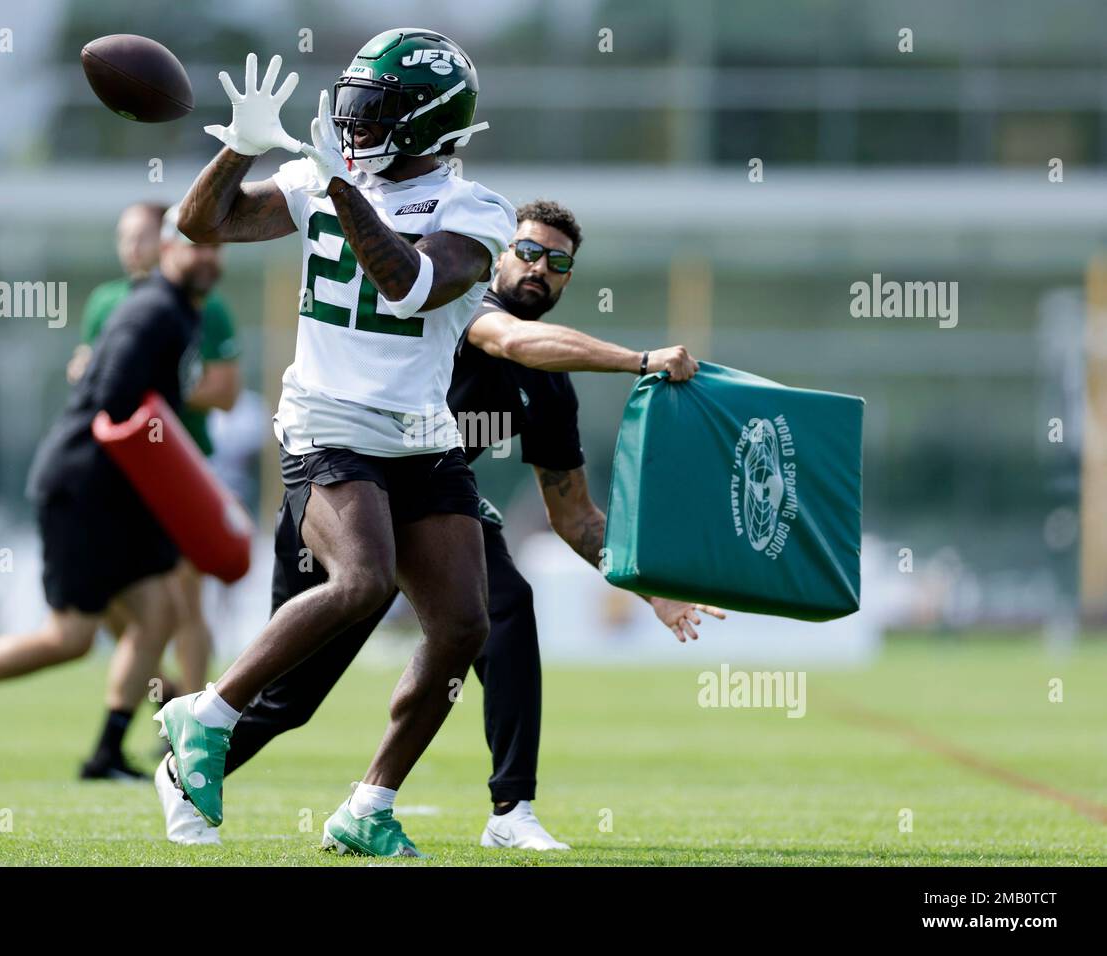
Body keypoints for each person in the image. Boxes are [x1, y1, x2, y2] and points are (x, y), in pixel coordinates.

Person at [156, 200, 724, 847]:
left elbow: (574, 517)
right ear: (500, 256)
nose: (540, 267)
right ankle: (186, 765)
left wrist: (654, 589)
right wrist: (639, 359)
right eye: (529, 252)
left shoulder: (549, 389)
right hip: (347, 485)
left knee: (504, 606)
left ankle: (505, 811)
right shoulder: (463, 308)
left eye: (558, 262)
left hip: (435, 505)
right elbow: (514, 340)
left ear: (568, 279)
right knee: (292, 698)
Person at [155, 30, 515, 857]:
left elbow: (411, 283)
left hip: (420, 433)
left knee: (462, 627)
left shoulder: (477, 209)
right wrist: (239, 152)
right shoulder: (324, 175)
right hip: (327, 420)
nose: (354, 124)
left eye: (377, 109)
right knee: (363, 581)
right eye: (352, 102)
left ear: (430, 123)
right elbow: (201, 225)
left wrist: (342, 189)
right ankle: (204, 715)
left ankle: (368, 807)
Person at [0, 209, 222, 774]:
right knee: (70, 637)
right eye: (196, 247)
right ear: (168, 250)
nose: (209, 258)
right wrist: (173, 477)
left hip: (110, 490)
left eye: (216, 248)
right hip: (86, 490)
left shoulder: (173, 311)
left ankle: (109, 751)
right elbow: (118, 402)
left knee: (159, 612)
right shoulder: (154, 313)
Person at [70, 203, 243, 779]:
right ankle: (166, 697)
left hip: (179, 468)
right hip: (118, 472)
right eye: (123, 237)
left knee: (184, 599)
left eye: (141, 235)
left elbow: (224, 390)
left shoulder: (201, 305)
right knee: (114, 604)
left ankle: (196, 726)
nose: (131, 247)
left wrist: (154, 387)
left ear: (167, 241)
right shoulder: (105, 302)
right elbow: (89, 369)